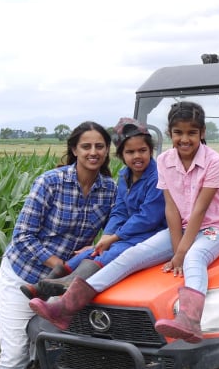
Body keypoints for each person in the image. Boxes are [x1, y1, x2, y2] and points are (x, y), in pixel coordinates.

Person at [30, 101, 219, 343]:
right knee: (129, 256)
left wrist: (180, 253)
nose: (184, 139)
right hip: (179, 228)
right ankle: (65, 308)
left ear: (202, 133)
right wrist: (176, 245)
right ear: (170, 134)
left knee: (194, 258)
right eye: (178, 132)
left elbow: (200, 209)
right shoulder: (167, 161)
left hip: (213, 229)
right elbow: (171, 208)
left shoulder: (214, 162)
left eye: (192, 132)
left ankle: (189, 320)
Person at [0, 121, 117, 369]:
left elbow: (121, 224)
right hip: (22, 277)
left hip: (60, 288)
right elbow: (23, 237)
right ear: (74, 149)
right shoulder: (51, 182)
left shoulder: (108, 190)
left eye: (99, 146)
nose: (93, 153)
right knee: (13, 356)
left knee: (40, 354)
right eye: (86, 146)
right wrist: (61, 263)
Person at [20, 118, 166, 300]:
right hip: (129, 232)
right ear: (121, 155)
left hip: (149, 233)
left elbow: (148, 217)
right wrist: (107, 235)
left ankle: (72, 280)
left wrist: (114, 237)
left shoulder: (158, 177)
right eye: (130, 152)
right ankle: (42, 286)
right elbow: (119, 211)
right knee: (94, 251)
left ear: (151, 150)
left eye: (142, 150)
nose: (137, 156)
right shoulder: (124, 176)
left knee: (111, 251)